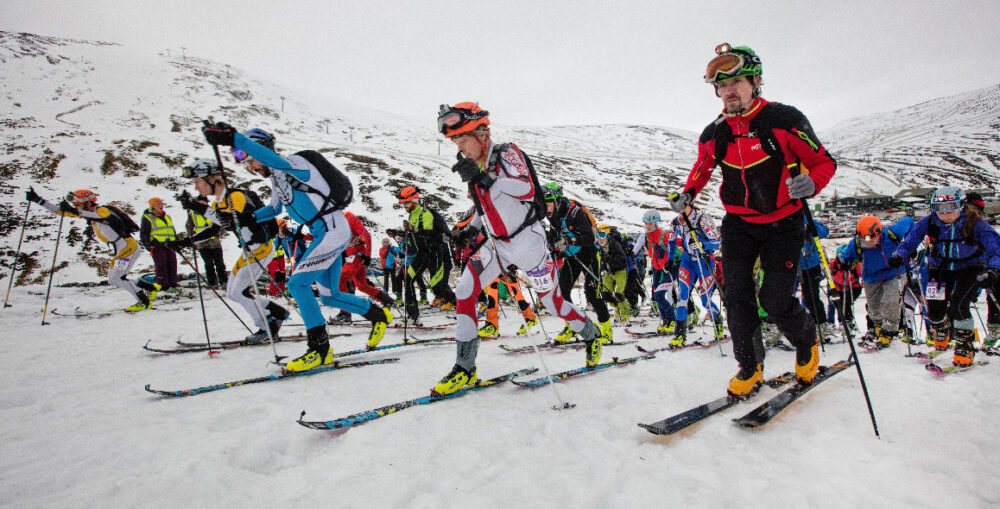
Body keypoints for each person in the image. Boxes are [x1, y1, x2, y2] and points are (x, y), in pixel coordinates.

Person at [670, 43, 837, 396]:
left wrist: (812, 183)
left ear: (756, 81)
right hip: (740, 225)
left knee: (775, 299)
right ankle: (750, 365)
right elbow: (701, 170)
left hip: (784, 221)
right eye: (722, 86)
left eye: (737, 83)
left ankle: (806, 342)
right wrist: (688, 194)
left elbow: (824, 162)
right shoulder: (715, 132)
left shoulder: (784, 119)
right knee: (737, 297)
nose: (729, 92)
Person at [432, 102, 602, 395]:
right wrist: (469, 231)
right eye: (455, 142)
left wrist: (484, 178)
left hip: (528, 242)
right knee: (464, 292)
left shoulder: (506, 153)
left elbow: (526, 188)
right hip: (497, 244)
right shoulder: (474, 168)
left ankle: (591, 333)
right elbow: (483, 208)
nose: (460, 148)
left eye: (462, 140)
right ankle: (465, 368)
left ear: (481, 133)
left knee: (552, 304)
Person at [200, 125, 392, 371]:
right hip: (322, 233)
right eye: (247, 165)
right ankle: (378, 315)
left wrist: (233, 138)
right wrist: (246, 218)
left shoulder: (295, 163)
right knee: (328, 295)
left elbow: (273, 160)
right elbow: (273, 210)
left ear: (261, 150)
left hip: (333, 231)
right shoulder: (278, 180)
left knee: (297, 284)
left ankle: (319, 349)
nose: (252, 168)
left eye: (251, 162)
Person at [171, 158, 289, 345]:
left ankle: (268, 326)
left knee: (239, 291)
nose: (196, 188)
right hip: (249, 250)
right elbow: (214, 228)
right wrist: (186, 241)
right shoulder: (220, 202)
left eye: (198, 182)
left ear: (211, 179)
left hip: (262, 248)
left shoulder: (235, 197)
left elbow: (242, 220)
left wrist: (200, 208)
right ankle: (276, 313)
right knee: (232, 292)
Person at [890, 187, 1000, 366]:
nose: (945, 214)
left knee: (959, 304)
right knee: (933, 307)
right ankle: (942, 333)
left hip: (971, 267)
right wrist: (900, 254)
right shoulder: (930, 222)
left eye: (951, 207)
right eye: (939, 208)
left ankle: (965, 344)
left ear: (962, 205)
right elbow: (912, 239)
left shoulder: (976, 223)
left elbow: (996, 248)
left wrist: (994, 269)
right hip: (940, 266)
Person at [25, 187, 159, 312]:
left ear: (88, 203)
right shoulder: (87, 213)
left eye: (78, 203)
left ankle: (144, 302)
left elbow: (101, 217)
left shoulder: (101, 211)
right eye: (75, 205)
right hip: (122, 248)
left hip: (128, 247)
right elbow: (60, 211)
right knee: (114, 279)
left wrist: (74, 211)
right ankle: (150, 287)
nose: (76, 206)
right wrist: (38, 200)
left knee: (116, 278)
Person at [544, 182, 614, 344]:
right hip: (571, 255)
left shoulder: (575, 212)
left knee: (592, 294)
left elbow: (589, 238)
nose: (545, 209)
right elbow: (555, 234)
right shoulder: (552, 214)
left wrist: (568, 240)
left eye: (547, 204)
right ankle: (572, 325)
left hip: (589, 253)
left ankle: (606, 330)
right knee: (562, 291)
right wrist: (554, 244)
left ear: (556, 200)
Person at [837, 215, 913, 348]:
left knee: (890, 301)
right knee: (873, 306)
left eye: (871, 238)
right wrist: (845, 262)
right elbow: (847, 256)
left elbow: (909, 221)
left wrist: (909, 247)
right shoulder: (857, 243)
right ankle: (878, 326)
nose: (868, 242)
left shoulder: (891, 234)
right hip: (871, 276)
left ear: (878, 233)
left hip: (894, 273)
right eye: (864, 238)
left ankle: (889, 331)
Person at [667, 203, 723, 346]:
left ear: (690, 207)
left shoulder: (701, 219)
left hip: (703, 261)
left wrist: (702, 245)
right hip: (687, 261)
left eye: (683, 209)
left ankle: (718, 320)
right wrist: (669, 259)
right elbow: (671, 241)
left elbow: (716, 242)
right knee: (682, 296)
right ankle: (679, 334)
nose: (680, 214)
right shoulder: (675, 223)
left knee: (705, 300)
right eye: (678, 210)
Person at [397, 186, 456, 324]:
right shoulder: (412, 215)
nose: (404, 206)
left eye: (406, 202)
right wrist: (400, 233)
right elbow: (415, 235)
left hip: (433, 253)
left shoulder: (425, 213)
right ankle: (413, 315)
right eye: (402, 203)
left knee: (437, 287)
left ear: (414, 200)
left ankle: (460, 305)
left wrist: (415, 230)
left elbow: (429, 234)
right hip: (421, 254)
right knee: (408, 279)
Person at [329, 211, 395, 323]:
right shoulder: (333, 223)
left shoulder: (349, 217)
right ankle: (386, 300)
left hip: (358, 255)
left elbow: (367, 236)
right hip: (351, 256)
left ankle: (345, 314)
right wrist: (303, 237)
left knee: (340, 279)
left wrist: (367, 256)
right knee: (361, 285)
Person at [632, 209, 675, 333]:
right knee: (657, 297)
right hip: (657, 270)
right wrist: (630, 253)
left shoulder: (664, 234)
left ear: (656, 223)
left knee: (664, 295)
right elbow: (636, 250)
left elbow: (675, 247)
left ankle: (672, 319)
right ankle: (665, 320)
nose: (648, 227)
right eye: (646, 224)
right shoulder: (644, 236)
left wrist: (672, 263)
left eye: (650, 224)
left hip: (668, 270)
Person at [798, 215, 830, 339]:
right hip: (797, 267)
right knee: (803, 298)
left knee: (812, 298)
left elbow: (824, 232)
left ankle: (820, 325)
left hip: (812, 266)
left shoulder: (806, 218)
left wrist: (811, 226)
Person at [185, 195, 227, 289]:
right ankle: (212, 283)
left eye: (205, 202)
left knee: (219, 263)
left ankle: (224, 281)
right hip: (202, 243)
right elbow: (189, 226)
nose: (204, 203)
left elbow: (220, 224)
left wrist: (219, 233)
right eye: (202, 202)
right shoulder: (192, 214)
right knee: (208, 263)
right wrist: (192, 234)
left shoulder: (211, 212)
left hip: (214, 241)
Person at [140, 197, 179, 292]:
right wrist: (148, 245)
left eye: (161, 204)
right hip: (157, 246)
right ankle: (163, 286)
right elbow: (144, 233)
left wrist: (176, 242)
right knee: (161, 266)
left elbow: (172, 230)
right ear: (152, 206)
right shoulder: (147, 217)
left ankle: (173, 284)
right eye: (158, 204)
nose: (161, 206)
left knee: (172, 264)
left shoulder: (167, 216)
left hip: (170, 244)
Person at [596, 224, 632, 323]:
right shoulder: (600, 247)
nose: (600, 239)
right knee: (606, 295)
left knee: (619, 295)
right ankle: (620, 308)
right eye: (597, 235)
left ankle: (625, 315)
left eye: (602, 235)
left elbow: (623, 259)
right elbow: (603, 261)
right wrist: (600, 268)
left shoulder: (614, 245)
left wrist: (611, 260)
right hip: (610, 272)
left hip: (621, 272)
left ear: (607, 235)